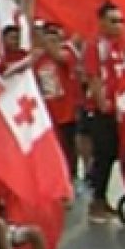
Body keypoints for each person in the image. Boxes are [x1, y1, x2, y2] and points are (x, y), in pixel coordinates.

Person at [82, 4, 125, 223]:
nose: (118, 25)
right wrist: (102, 102)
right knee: (104, 155)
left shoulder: (122, 44)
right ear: (101, 22)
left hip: (122, 108)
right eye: (112, 20)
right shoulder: (95, 46)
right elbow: (94, 76)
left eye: (120, 20)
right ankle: (96, 203)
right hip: (103, 110)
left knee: (114, 155)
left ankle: (104, 199)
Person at [33, 24, 82, 180]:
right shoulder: (38, 60)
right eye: (48, 40)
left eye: (54, 40)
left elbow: (61, 58)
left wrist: (49, 45)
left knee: (68, 149)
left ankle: (71, 178)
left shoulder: (67, 54)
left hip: (66, 113)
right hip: (47, 114)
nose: (50, 44)